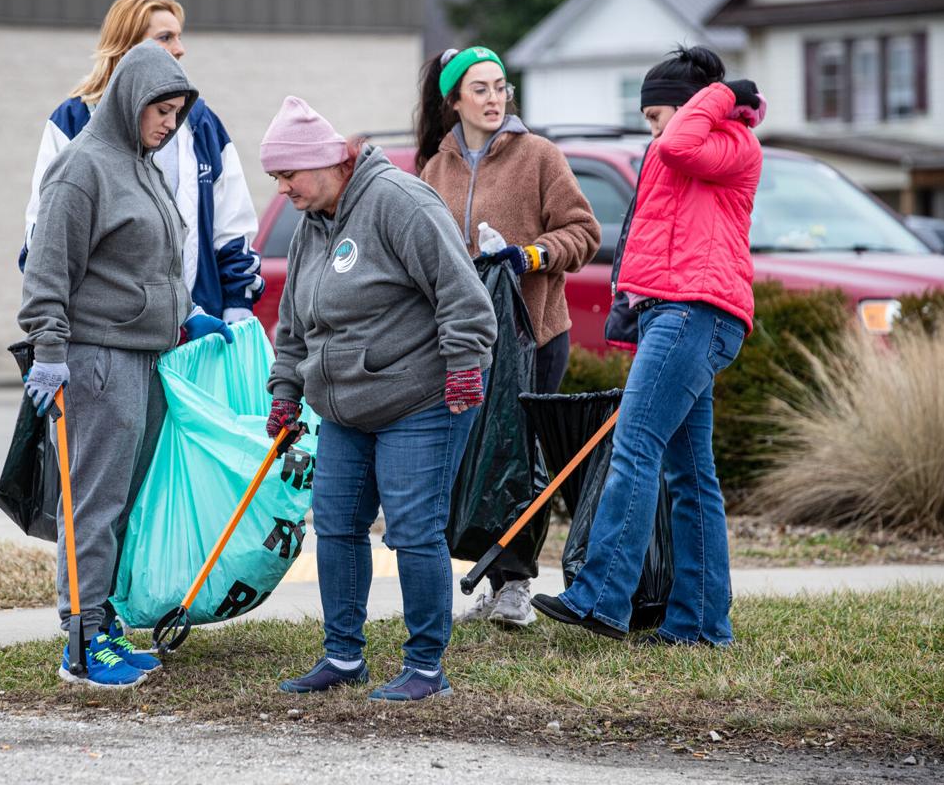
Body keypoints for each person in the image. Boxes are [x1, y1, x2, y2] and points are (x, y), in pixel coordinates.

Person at [261, 96, 498, 702]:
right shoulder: (313, 227)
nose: (283, 187)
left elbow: (463, 296)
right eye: (276, 178)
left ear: (326, 162)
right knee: (336, 525)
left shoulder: (400, 202)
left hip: (421, 398)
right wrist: (285, 393)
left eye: (288, 173)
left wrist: (465, 368)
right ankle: (343, 656)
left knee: (414, 530)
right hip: (345, 409)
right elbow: (294, 325)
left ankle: (425, 669)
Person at [531, 46, 767, 646]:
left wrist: (719, 96)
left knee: (635, 448)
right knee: (691, 475)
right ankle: (702, 624)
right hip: (676, 311)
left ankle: (601, 596)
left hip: (697, 311)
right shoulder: (685, 149)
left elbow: (680, 142)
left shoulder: (729, 143)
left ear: (692, 107)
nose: (653, 131)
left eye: (658, 114)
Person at [19, 43, 227, 688]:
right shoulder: (84, 171)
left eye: (176, 112)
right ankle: (80, 644)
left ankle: (102, 621)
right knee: (95, 502)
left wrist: (187, 315)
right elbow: (46, 274)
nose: (169, 124)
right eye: (160, 110)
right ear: (129, 101)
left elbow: (154, 265)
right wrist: (49, 353)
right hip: (97, 360)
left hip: (146, 357)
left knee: (124, 500)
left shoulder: (145, 168)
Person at [417, 46, 601, 627]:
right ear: (454, 100)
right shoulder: (434, 169)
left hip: (536, 335)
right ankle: (496, 576)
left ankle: (517, 584)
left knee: (518, 458)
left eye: (501, 87)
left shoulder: (538, 156)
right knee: (476, 457)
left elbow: (584, 232)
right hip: (465, 344)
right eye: (481, 89)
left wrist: (531, 254)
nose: (495, 99)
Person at [20, 0, 264, 327]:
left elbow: (232, 224)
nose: (180, 49)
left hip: (196, 325)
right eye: (165, 38)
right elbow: (44, 237)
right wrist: (50, 330)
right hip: (106, 331)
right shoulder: (73, 122)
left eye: (180, 36)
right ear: (127, 48)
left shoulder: (201, 122)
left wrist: (238, 302)